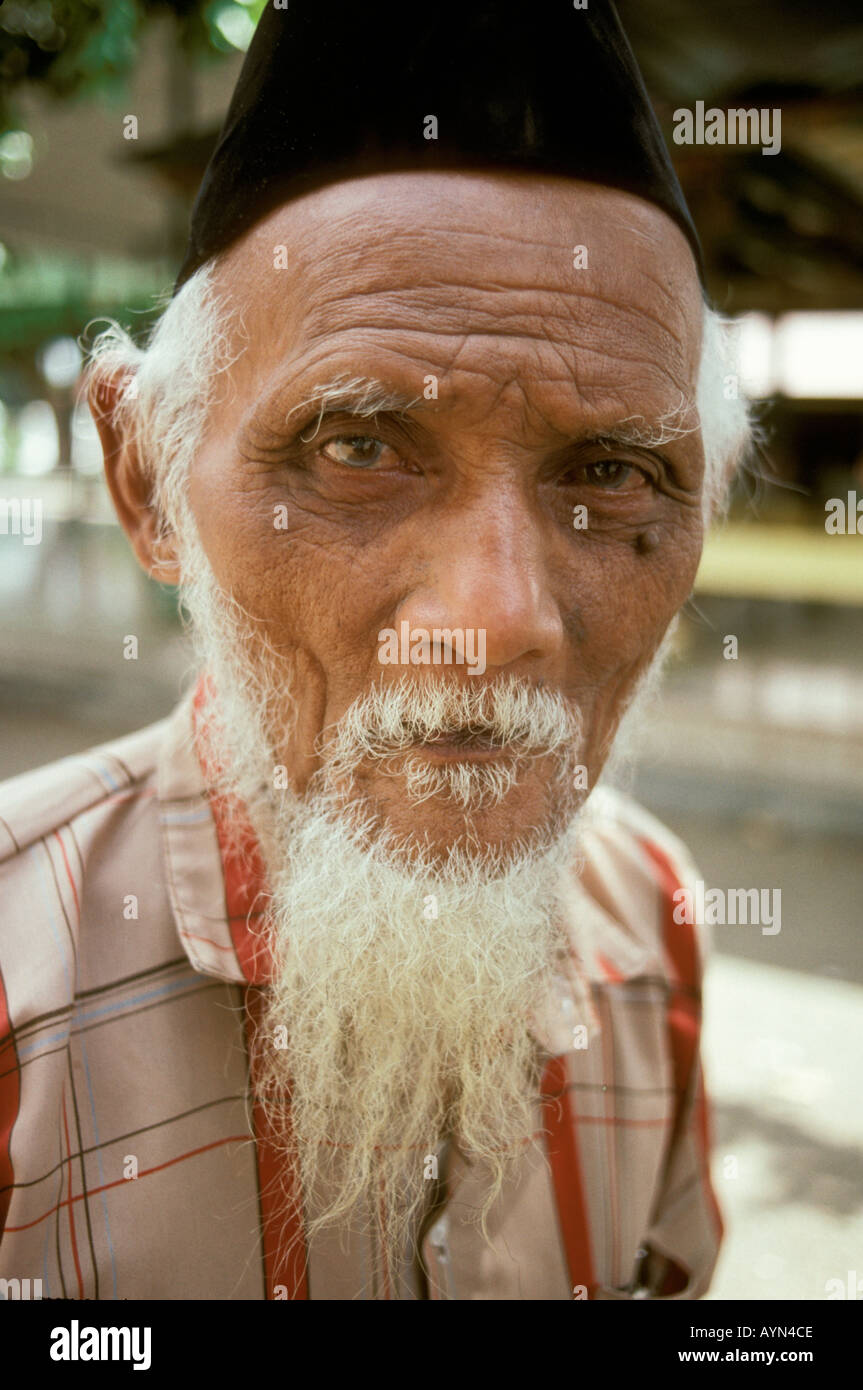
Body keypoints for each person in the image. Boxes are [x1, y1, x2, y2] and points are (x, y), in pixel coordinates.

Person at [0, 1, 751, 1299]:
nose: (503, 616)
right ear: (145, 477)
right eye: (357, 447)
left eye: (614, 471)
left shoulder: (657, 918)